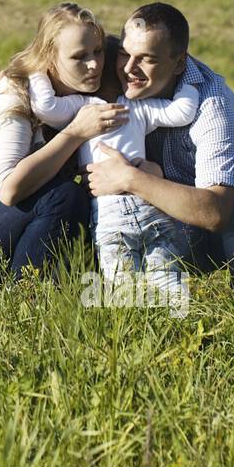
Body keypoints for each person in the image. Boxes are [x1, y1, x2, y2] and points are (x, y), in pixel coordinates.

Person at [0, 2, 234, 289]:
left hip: (207, 228)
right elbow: (47, 57)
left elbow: (215, 213)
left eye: (146, 59)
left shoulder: (209, 100)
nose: (129, 69)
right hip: (127, 217)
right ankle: (105, 304)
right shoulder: (107, 66)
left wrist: (133, 179)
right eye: (125, 53)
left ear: (178, 64)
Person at [0, 2, 128, 282]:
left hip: (10, 231)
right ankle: (27, 295)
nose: (94, 64)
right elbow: (8, 189)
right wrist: (75, 133)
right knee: (64, 194)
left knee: (84, 197)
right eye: (79, 57)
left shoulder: (82, 97)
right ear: (50, 59)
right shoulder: (16, 93)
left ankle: (64, 286)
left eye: (98, 51)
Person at [28, 60, 199, 300]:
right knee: (165, 275)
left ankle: (132, 329)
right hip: (147, 200)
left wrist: (39, 70)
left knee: (122, 285)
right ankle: (179, 321)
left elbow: (44, 106)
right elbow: (183, 112)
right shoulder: (138, 106)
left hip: (109, 210)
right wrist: (188, 82)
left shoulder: (83, 107)